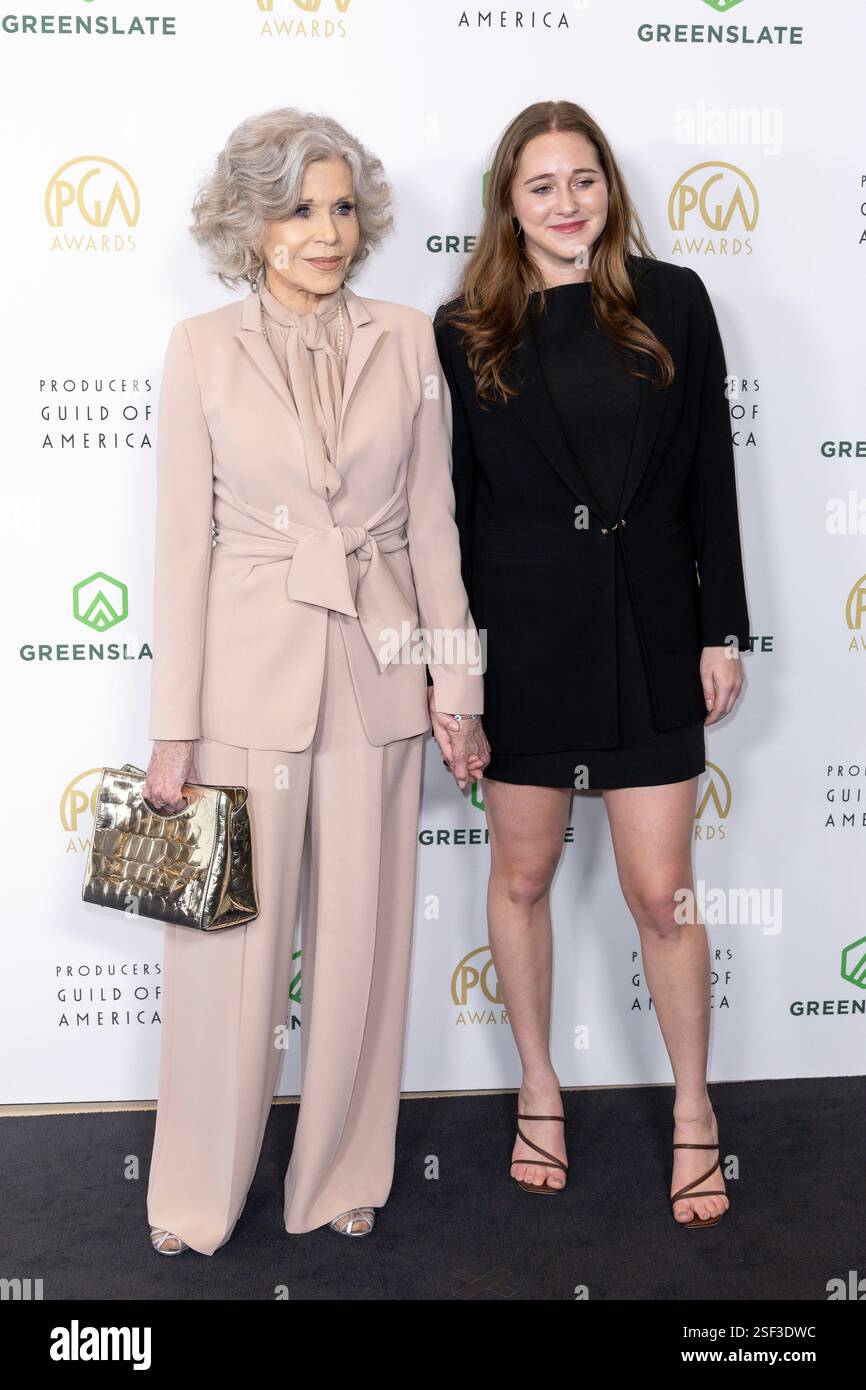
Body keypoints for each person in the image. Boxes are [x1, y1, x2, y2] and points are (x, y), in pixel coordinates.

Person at [143, 107, 488, 1256]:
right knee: (222, 956)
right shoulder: (199, 347)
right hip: (245, 681)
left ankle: (343, 1170)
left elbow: (435, 531)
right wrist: (171, 729)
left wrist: (458, 688)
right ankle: (194, 1191)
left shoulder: (409, 338)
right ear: (250, 221)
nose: (325, 230)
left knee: (362, 949)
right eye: (297, 208)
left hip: (381, 680)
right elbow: (180, 551)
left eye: (340, 206)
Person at [434, 100, 749, 1228]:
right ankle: (536, 1087)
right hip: (519, 642)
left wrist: (724, 627)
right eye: (540, 186)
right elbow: (448, 520)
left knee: (661, 893)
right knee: (519, 877)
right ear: (506, 206)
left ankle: (694, 1113)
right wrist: (449, 675)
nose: (566, 203)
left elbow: (710, 464)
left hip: (654, 629)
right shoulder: (463, 326)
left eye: (583, 180)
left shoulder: (673, 301)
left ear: (607, 188)